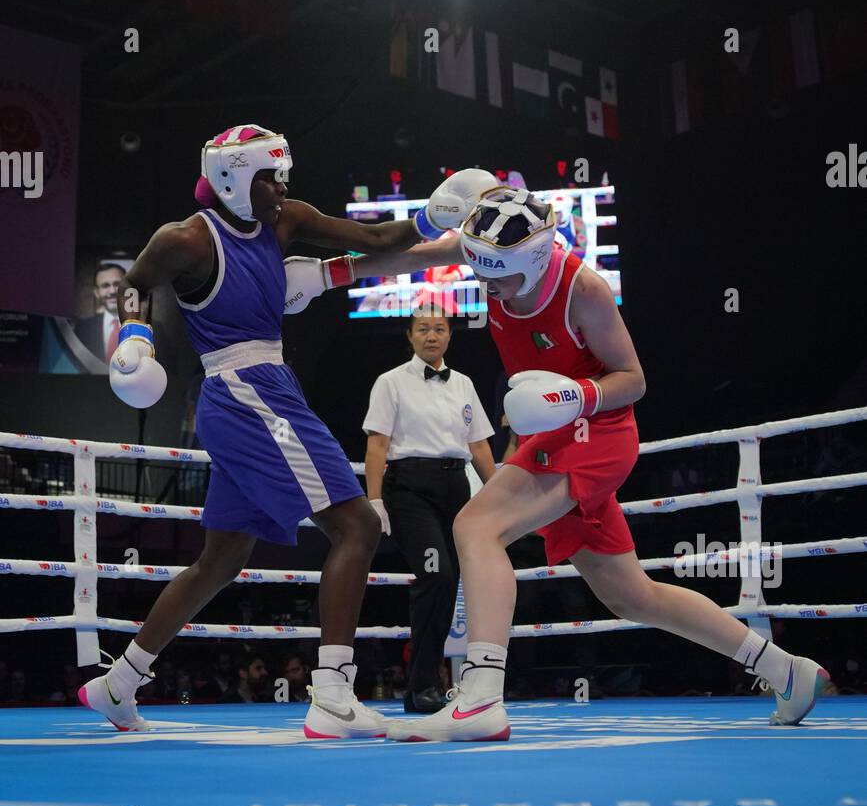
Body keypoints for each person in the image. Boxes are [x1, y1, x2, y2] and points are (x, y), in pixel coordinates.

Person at [284, 183, 829, 740]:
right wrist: (331, 275)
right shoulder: (490, 248)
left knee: (476, 524)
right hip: (553, 436)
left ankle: (480, 699)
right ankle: (787, 671)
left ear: (535, 258)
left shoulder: (583, 290)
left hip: (597, 432)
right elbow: (407, 255)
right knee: (631, 596)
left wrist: (575, 395)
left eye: (497, 275)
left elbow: (633, 379)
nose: (485, 284)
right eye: (479, 268)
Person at [78, 128, 493, 740]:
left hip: (266, 387)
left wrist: (432, 215)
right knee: (356, 524)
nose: (282, 188)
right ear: (234, 179)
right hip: (243, 391)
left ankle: (120, 683)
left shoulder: (284, 220)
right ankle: (331, 694)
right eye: (271, 177)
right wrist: (136, 337)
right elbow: (135, 284)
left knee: (221, 559)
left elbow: (377, 240)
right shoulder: (188, 238)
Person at [363, 303, 496, 712]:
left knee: (450, 581)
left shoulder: (464, 384)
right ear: (410, 335)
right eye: (423, 329)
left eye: (439, 328)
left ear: (450, 335)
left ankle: (426, 686)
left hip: (455, 486)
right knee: (436, 577)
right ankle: (422, 684)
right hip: (409, 490)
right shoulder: (390, 382)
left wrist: (501, 496)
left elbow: (478, 447)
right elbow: (377, 446)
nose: (432, 336)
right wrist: (375, 500)